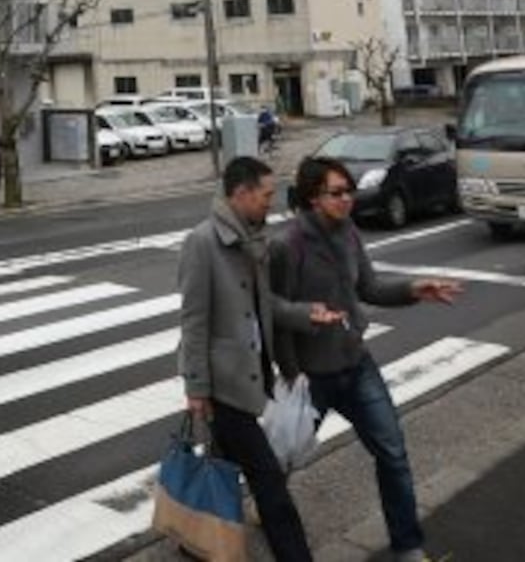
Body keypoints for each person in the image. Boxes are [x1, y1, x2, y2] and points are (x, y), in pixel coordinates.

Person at [271, 153, 464, 562]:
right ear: (312, 197)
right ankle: (261, 500)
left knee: (392, 452)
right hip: (312, 375)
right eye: (337, 192)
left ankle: (408, 548)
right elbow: (272, 308)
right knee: (282, 456)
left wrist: (413, 289)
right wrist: (291, 368)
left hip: (356, 364)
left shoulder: (349, 233)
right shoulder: (287, 246)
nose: (347, 199)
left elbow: (370, 287)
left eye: (350, 191)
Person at [178, 152, 345, 562]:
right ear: (241, 193)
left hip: (251, 376)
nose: (271, 202)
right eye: (265, 195)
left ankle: (194, 542)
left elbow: (264, 304)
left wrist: (307, 313)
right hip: (224, 383)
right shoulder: (203, 242)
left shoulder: (253, 240)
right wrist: (196, 388)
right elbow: (193, 322)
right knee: (268, 480)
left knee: (222, 463)